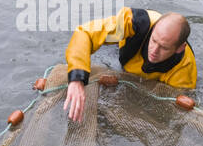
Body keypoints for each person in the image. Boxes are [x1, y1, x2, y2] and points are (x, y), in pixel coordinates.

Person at [63, 8, 196, 122]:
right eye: (154, 40)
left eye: (164, 48)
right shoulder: (134, 24)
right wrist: (77, 79)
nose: (154, 51)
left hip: (152, 81)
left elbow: (171, 109)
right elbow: (85, 33)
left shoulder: (184, 68)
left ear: (179, 48)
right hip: (123, 52)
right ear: (154, 28)